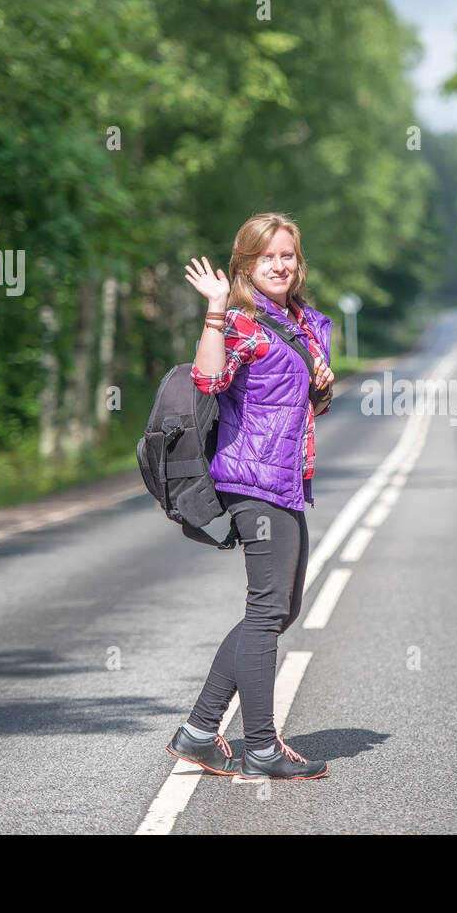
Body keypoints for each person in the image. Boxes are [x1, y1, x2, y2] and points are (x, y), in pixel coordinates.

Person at [165, 212, 334, 781]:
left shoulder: (305, 324)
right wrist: (215, 310)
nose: (280, 265)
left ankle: (198, 731)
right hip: (253, 482)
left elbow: (297, 402)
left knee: (281, 609)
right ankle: (260, 747)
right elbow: (209, 381)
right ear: (244, 265)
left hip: (287, 479)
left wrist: (322, 386)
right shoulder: (241, 322)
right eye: (267, 257)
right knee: (267, 611)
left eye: (288, 255)